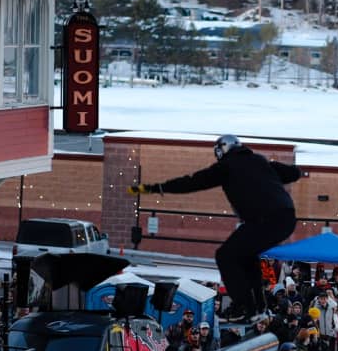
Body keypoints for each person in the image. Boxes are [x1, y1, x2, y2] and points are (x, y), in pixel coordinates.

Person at [129, 135, 301, 322]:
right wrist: (277, 170)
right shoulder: (260, 161)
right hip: (286, 217)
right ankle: (258, 308)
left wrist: (157, 188)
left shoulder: (227, 166)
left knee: (225, 256)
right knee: (246, 256)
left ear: (222, 151)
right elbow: (293, 173)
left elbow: (193, 181)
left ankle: (245, 307)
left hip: (266, 219)